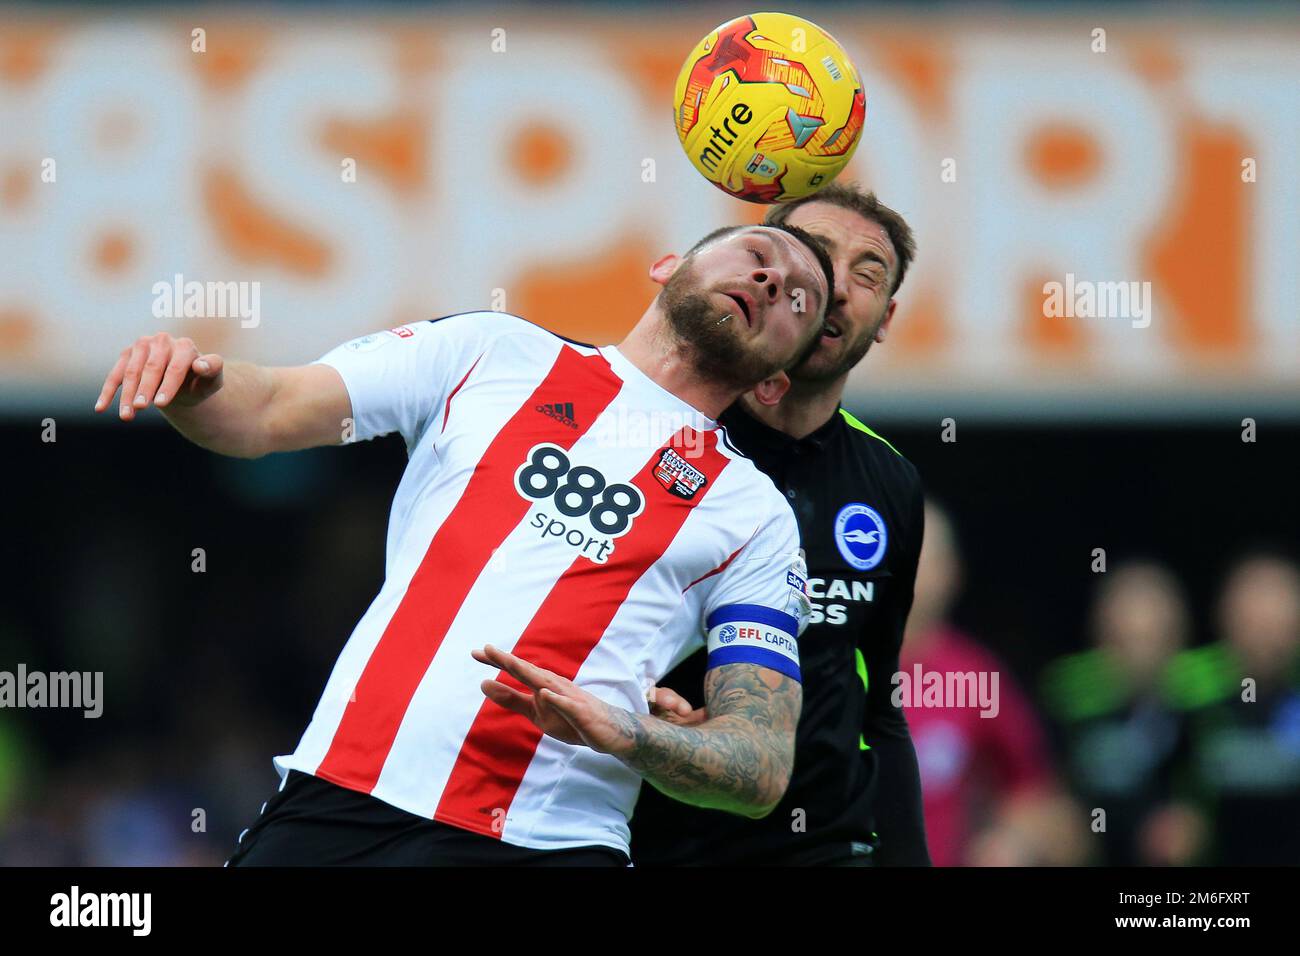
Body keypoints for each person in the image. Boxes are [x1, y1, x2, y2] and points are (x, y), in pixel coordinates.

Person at [93, 223, 836, 866]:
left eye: (799, 298)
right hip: (340, 800)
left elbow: (761, 764)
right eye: (756, 252)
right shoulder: (492, 351)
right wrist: (194, 387)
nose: (772, 279)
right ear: (669, 265)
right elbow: (267, 408)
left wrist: (630, 735)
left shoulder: (756, 518)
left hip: (548, 844)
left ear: (773, 384)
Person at [631, 183, 930, 866]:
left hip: (828, 848)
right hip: (653, 842)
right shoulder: (662, 442)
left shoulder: (890, 482)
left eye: (868, 273)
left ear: (885, 317)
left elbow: (879, 706)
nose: (840, 288)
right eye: (818, 258)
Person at [900, 501, 1064, 867]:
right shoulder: (835, 661)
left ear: (952, 573)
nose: (907, 564)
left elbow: (1035, 790)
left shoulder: (975, 674)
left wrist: (1010, 842)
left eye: (924, 553)